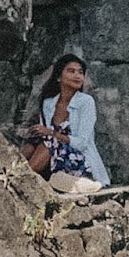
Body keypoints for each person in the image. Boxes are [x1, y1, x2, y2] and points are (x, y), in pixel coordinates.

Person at [28, 54, 110, 194]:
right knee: (29, 145)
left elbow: (82, 143)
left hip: (78, 158)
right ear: (59, 77)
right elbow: (45, 135)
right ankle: (18, 177)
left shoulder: (86, 102)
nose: (77, 76)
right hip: (54, 159)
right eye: (71, 71)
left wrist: (52, 133)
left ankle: (22, 180)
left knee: (48, 144)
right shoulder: (48, 103)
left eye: (80, 72)